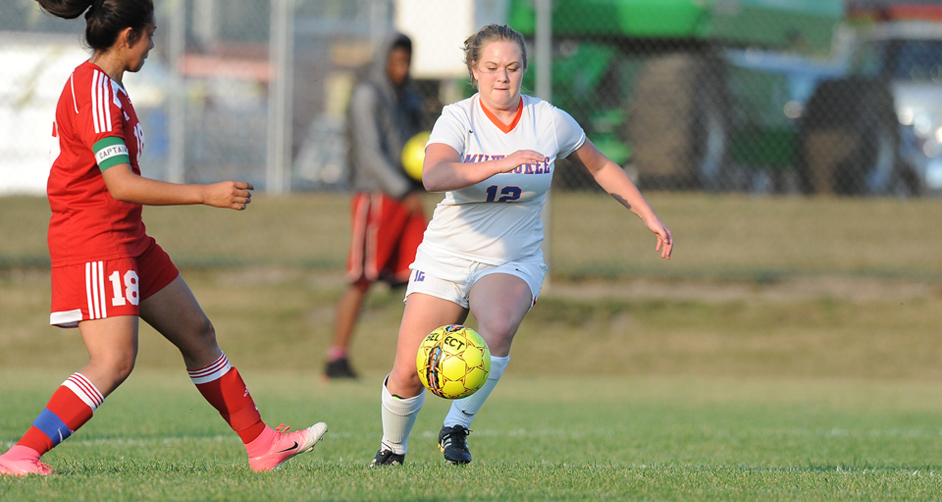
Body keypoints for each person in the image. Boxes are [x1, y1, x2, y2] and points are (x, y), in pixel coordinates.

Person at [0, 0, 326, 477]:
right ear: (128, 35)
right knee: (113, 361)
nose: (154, 44)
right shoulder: (91, 88)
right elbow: (120, 183)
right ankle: (21, 455)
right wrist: (205, 194)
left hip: (126, 235)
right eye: (150, 34)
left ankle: (263, 444)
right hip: (94, 239)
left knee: (198, 333)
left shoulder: (113, 89)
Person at [369, 24, 673, 467]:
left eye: (512, 67)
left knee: (498, 324)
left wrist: (649, 216)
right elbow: (434, 177)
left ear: (524, 70)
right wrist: (502, 162)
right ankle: (391, 450)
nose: (502, 77)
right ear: (474, 70)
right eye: (491, 67)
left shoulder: (548, 120)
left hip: (512, 258)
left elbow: (601, 164)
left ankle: (456, 426)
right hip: (447, 256)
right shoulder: (458, 118)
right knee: (409, 371)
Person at [324, 32, 427, 380]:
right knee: (362, 276)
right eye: (395, 61)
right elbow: (370, 153)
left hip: (406, 196)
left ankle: (420, 360)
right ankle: (335, 358)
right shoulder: (368, 95)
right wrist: (401, 189)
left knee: (421, 276)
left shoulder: (407, 98)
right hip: (377, 195)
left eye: (407, 61)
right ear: (383, 60)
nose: (402, 68)